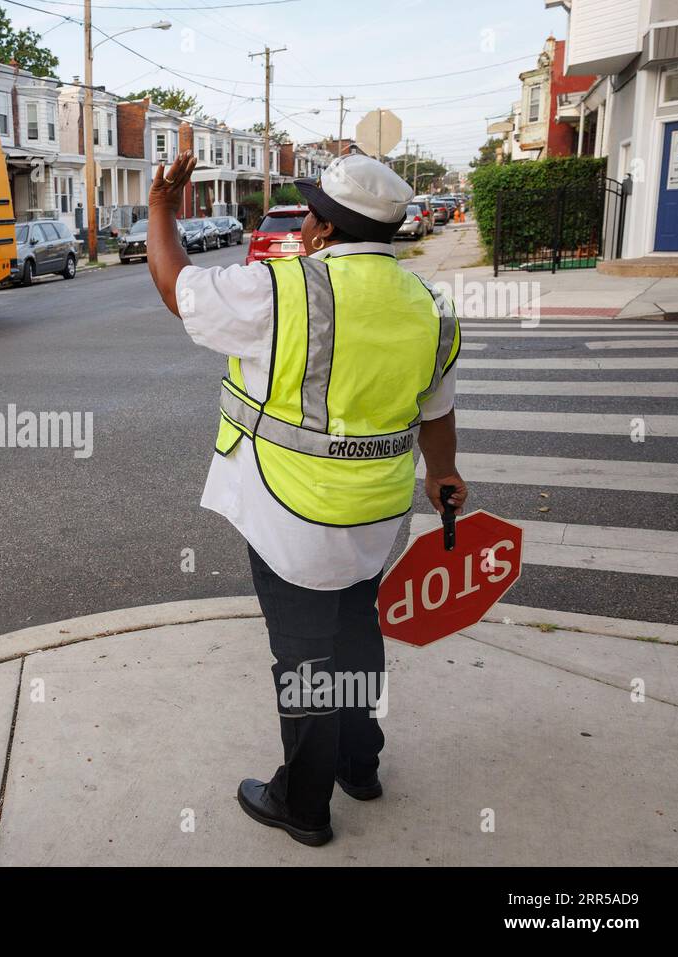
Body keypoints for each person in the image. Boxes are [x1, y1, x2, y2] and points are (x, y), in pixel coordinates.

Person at [146, 150, 466, 847]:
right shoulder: (430, 307)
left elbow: (178, 288)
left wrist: (162, 210)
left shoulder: (282, 290)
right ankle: (360, 764)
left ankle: (305, 804)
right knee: (356, 631)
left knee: (306, 659)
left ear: (320, 229)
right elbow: (436, 406)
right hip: (378, 518)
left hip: (290, 513)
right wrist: (442, 474)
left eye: (309, 218)